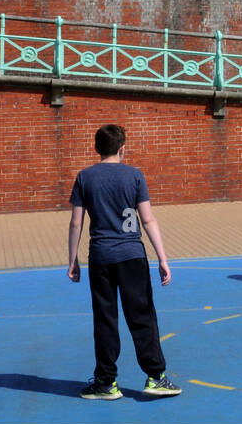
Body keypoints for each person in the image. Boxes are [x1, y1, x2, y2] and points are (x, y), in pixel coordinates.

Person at [68, 123, 181, 400]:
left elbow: (75, 223)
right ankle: (155, 377)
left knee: (105, 319)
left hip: (101, 257)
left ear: (96, 149)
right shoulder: (135, 175)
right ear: (122, 149)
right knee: (141, 316)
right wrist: (163, 258)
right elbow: (148, 219)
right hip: (132, 257)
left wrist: (72, 260)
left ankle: (106, 382)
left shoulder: (85, 177)